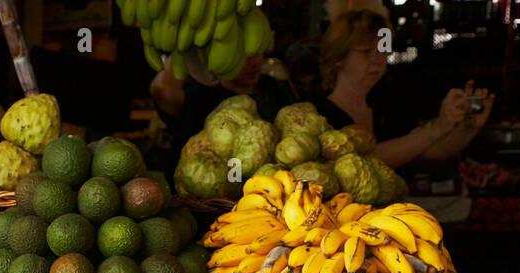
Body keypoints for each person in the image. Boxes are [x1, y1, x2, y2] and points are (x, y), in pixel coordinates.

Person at [315, 10, 494, 168]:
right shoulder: (319, 116)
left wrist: (468, 126)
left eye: (383, 51)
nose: (379, 61)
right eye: (367, 52)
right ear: (339, 57)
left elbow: (430, 151)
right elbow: (363, 162)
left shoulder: (387, 106)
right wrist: (437, 127)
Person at [154, 54, 296, 155]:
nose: (253, 63)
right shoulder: (203, 95)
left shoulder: (276, 88)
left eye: (257, 54)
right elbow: (162, 90)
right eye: (243, 56)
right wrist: (185, 47)